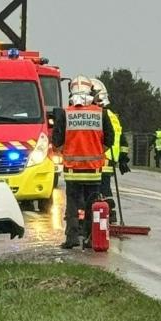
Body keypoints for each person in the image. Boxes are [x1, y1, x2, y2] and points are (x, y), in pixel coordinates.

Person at [52, 76, 113, 249]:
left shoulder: (66, 113)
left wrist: (67, 150)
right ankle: (90, 238)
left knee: (72, 204)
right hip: (94, 170)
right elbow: (110, 138)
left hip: (73, 170)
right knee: (91, 204)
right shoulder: (101, 113)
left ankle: (72, 238)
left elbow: (56, 141)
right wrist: (97, 151)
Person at [90, 79, 130, 222]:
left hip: (98, 158)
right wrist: (123, 158)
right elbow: (122, 139)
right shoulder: (113, 116)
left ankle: (97, 217)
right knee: (105, 188)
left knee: (94, 189)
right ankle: (110, 214)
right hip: (110, 159)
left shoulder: (97, 116)